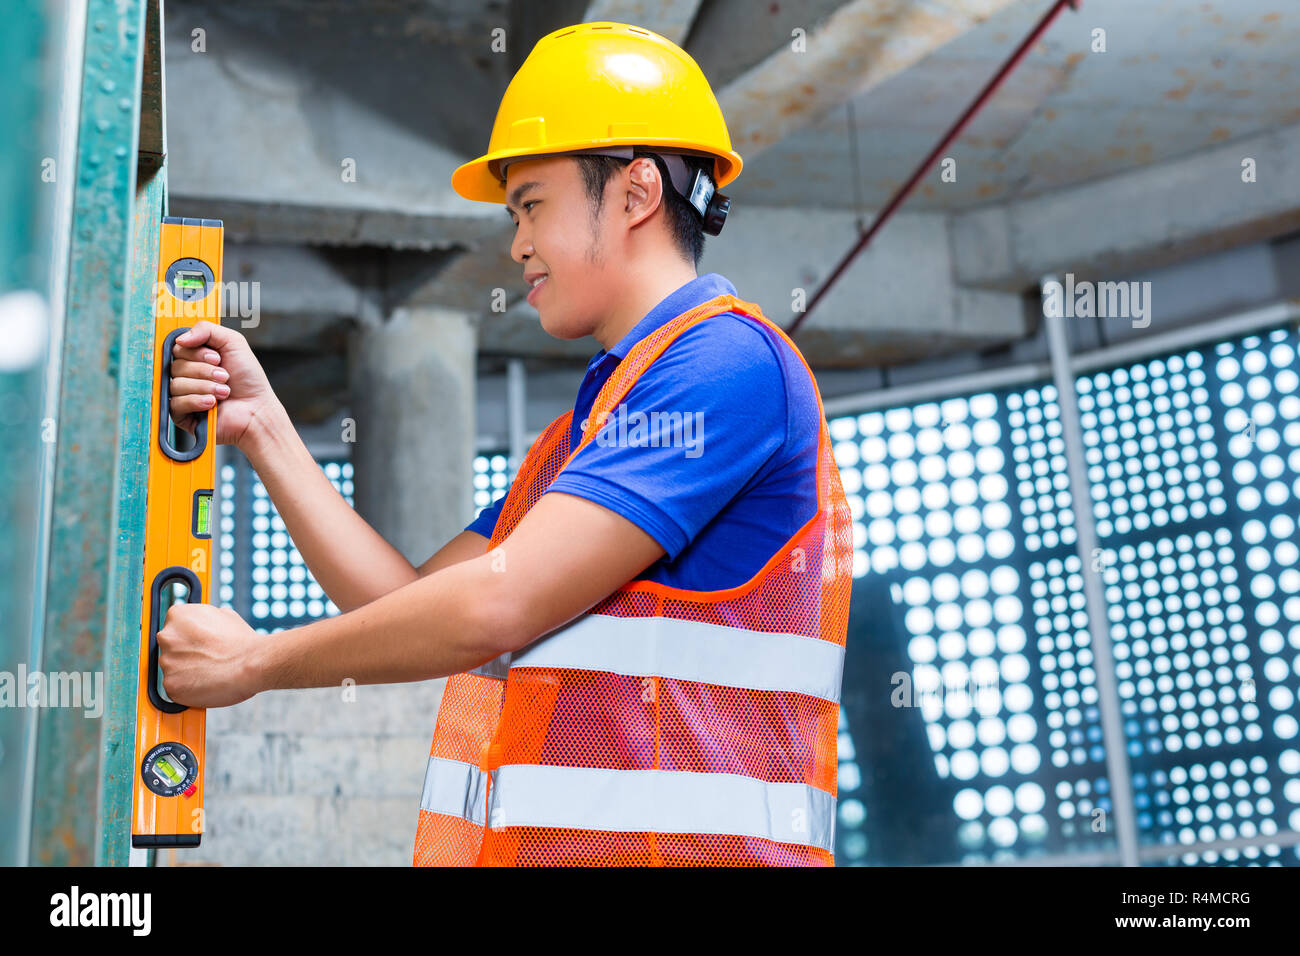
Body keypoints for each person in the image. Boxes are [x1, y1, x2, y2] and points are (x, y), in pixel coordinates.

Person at [158, 21, 853, 866]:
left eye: (532, 205)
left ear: (635, 194)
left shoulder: (729, 365)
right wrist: (265, 427)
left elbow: (495, 603)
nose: (517, 243)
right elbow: (401, 603)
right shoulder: (579, 441)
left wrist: (255, 664)